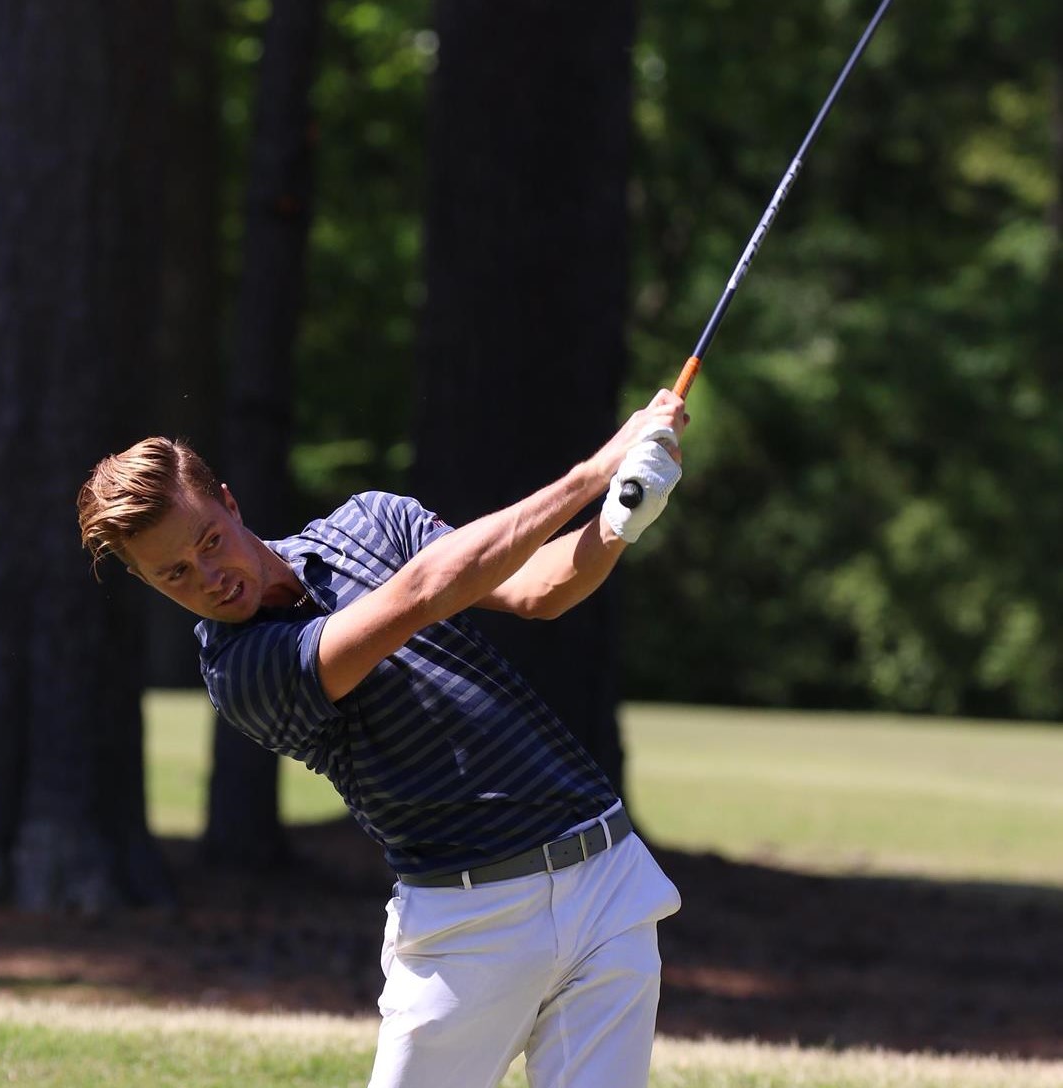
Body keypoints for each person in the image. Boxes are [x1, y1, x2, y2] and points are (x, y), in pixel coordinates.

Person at [77, 389, 688, 1088]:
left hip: (604, 873)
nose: (210, 580)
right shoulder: (241, 669)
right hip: (469, 924)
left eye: (208, 542)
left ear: (228, 501)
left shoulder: (371, 520)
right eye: (174, 575)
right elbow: (419, 595)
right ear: (148, 584)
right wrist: (593, 472)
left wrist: (620, 516)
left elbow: (540, 589)